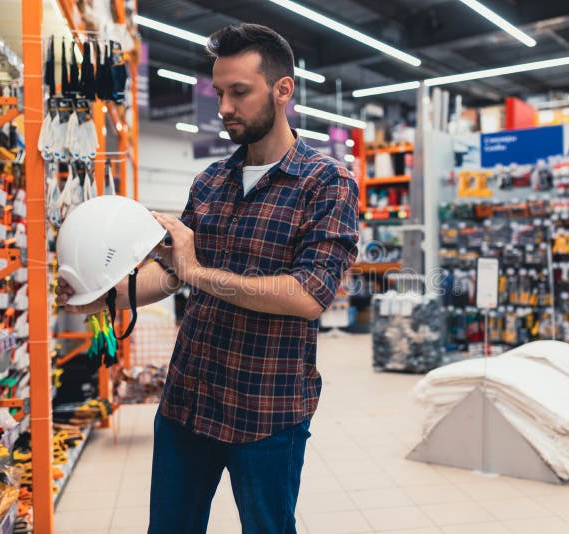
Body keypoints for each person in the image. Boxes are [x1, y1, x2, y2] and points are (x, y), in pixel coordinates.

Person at [55, 23, 359, 534]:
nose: (224, 107)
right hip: (187, 400)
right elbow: (172, 272)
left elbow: (309, 295)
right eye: (218, 92)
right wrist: (106, 298)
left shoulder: (326, 183)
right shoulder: (210, 180)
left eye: (239, 92)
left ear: (283, 90)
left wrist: (199, 271)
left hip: (267, 410)